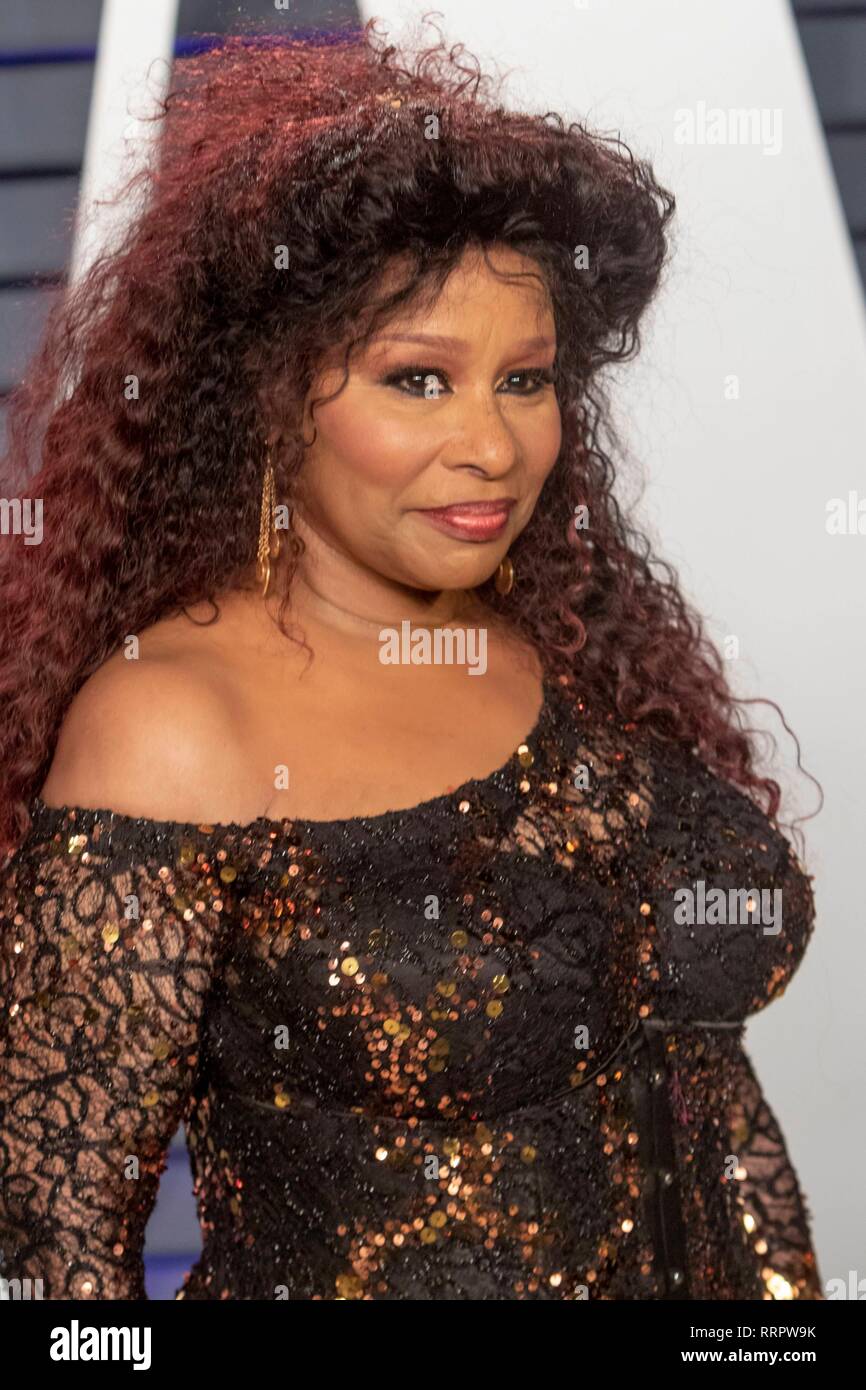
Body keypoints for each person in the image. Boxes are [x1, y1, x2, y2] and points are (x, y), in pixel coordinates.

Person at [0, 22, 821, 1300]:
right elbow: (57, 1270)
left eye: (526, 380)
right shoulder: (170, 724)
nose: (493, 447)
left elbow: (705, 1104)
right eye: (419, 381)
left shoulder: (573, 642)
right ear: (272, 395)